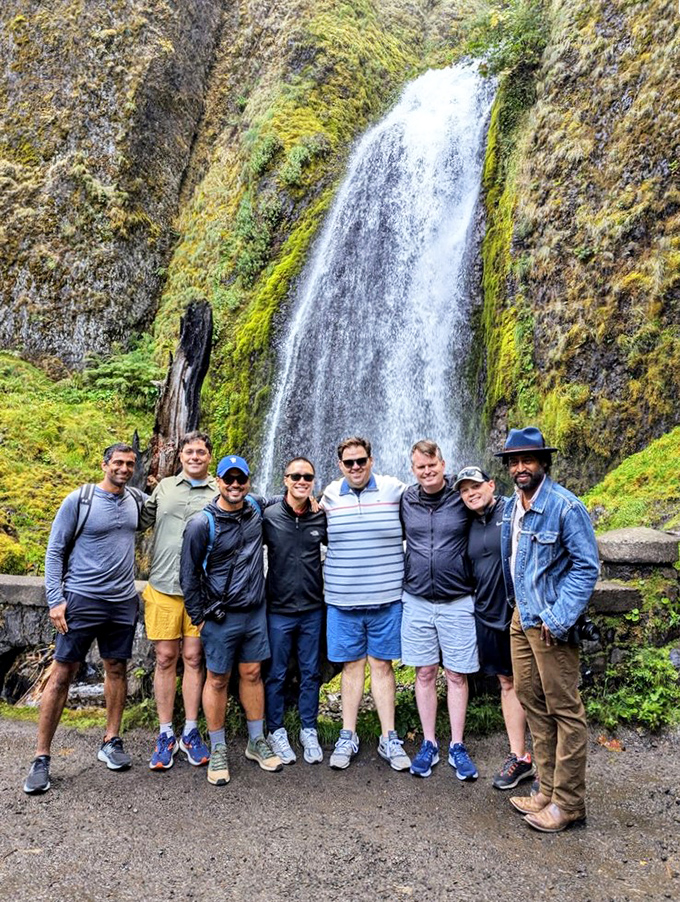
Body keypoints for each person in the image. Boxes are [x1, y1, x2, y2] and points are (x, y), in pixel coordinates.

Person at [496, 426, 599, 833]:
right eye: (515, 461)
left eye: (529, 460)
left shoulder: (565, 507)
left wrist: (559, 618)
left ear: (543, 463)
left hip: (551, 622)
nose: (521, 467)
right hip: (521, 617)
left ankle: (570, 804)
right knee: (531, 699)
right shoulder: (513, 506)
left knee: (564, 709)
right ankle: (547, 789)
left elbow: (587, 567)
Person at [24, 443, 143, 794]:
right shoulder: (80, 500)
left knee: (116, 668)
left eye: (130, 464)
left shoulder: (136, 500)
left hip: (122, 601)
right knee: (63, 672)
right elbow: (55, 549)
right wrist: (56, 599)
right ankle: (41, 757)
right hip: (82, 598)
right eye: (118, 462)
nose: (123, 468)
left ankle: (111, 740)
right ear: (104, 464)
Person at [180, 454, 282, 785]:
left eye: (241, 479)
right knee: (218, 679)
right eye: (229, 479)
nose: (235, 485)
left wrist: (308, 496)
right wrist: (200, 618)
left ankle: (256, 741)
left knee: (252, 674)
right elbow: (188, 575)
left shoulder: (255, 507)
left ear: (248, 482)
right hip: (219, 616)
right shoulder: (201, 524)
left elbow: (283, 497)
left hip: (254, 612)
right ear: (219, 482)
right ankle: (219, 746)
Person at [321, 436, 410, 772]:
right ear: (340, 465)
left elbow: (428, 494)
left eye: (361, 461)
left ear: (371, 460)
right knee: (351, 667)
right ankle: (348, 734)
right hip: (342, 600)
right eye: (349, 463)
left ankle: (389, 737)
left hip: (387, 598)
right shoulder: (329, 495)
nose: (356, 467)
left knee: (383, 666)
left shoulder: (393, 489)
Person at [400, 440, 478, 781]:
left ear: (443, 465)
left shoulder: (461, 497)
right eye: (421, 467)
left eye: (432, 466)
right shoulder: (405, 499)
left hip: (457, 600)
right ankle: (429, 742)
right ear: (413, 470)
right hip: (417, 600)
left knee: (457, 674)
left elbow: (490, 507)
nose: (428, 471)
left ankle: (457, 745)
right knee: (425, 673)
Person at [139, 431, 216, 770]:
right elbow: (137, 517)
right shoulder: (165, 487)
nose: (195, 456)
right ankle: (165, 732)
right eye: (190, 451)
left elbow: (255, 506)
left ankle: (191, 731)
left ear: (209, 457)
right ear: (181, 456)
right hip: (163, 586)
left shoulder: (221, 491)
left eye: (201, 451)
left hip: (202, 591)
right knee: (166, 657)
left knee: (195, 658)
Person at [454, 465, 534, 789]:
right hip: (486, 616)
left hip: (518, 614)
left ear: (491, 485)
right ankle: (520, 757)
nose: (471, 493)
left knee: (534, 687)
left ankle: (548, 761)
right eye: (464, 490)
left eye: (476, 486)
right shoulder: (468, 524)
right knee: (507, 683)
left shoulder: (513, 510)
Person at [263, 457, 327, 765]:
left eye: (308, 477)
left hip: (313, 608)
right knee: (275, 673)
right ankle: (275, 729)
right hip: (278, 609)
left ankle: (308, 728)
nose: (302, 481)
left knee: (310, 671)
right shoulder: (269, 515)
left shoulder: (320, 517)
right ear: (285, 479)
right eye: (296, 476)